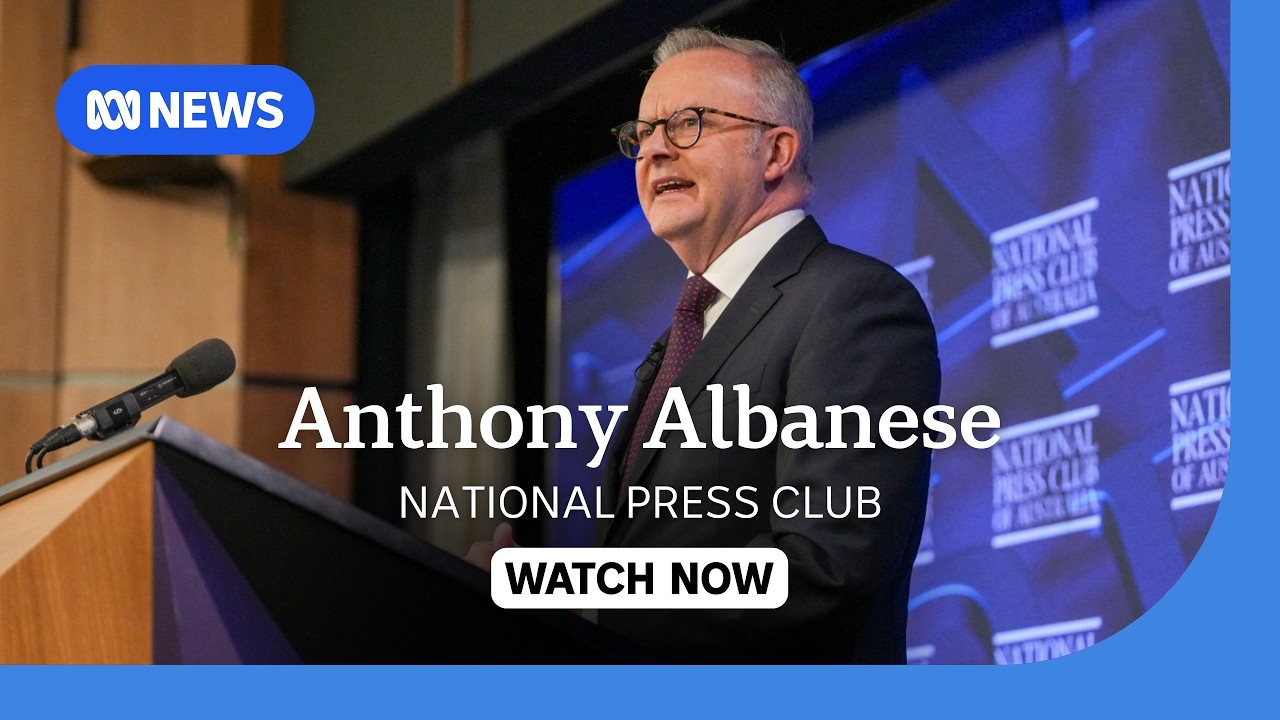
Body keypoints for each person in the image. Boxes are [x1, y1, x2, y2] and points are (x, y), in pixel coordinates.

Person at [470, 27, 940, 663]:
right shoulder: (683, 336)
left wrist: (561, 588)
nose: (654, 152)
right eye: (641, 136)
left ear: (775, 151)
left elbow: (825, 567)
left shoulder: (852, 304)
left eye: (688, 124)